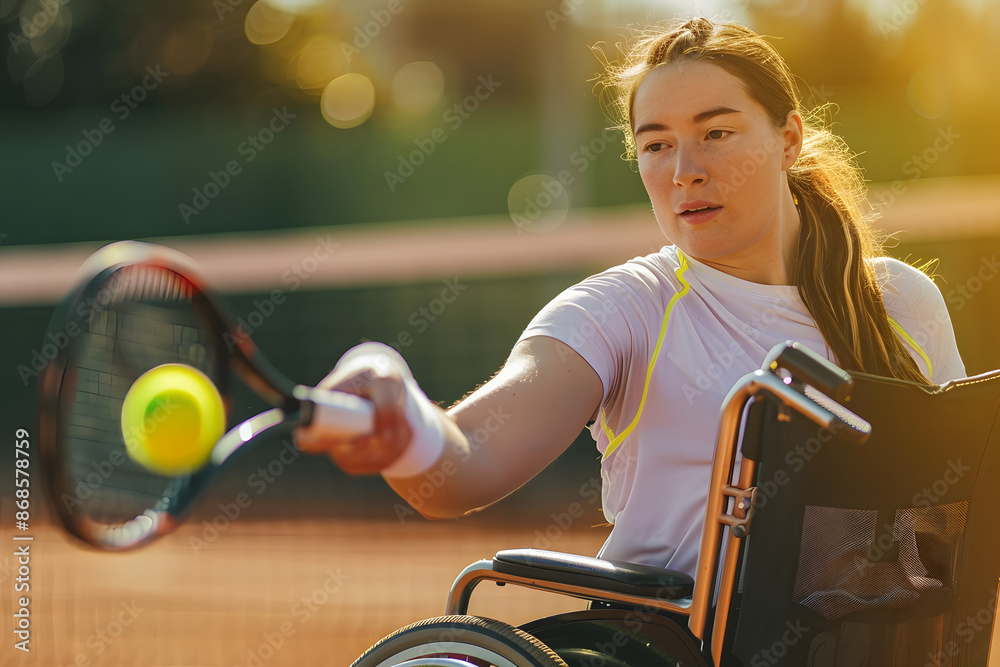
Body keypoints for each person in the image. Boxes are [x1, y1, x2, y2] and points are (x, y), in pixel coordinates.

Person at [295, 17, 965, 578]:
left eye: (717, 132)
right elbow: (466, 461)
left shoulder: (903, 302)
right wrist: (402, 412)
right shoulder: (620, 310)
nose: (685, 171)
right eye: (656, 144)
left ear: (787, 139)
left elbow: (958, 514)